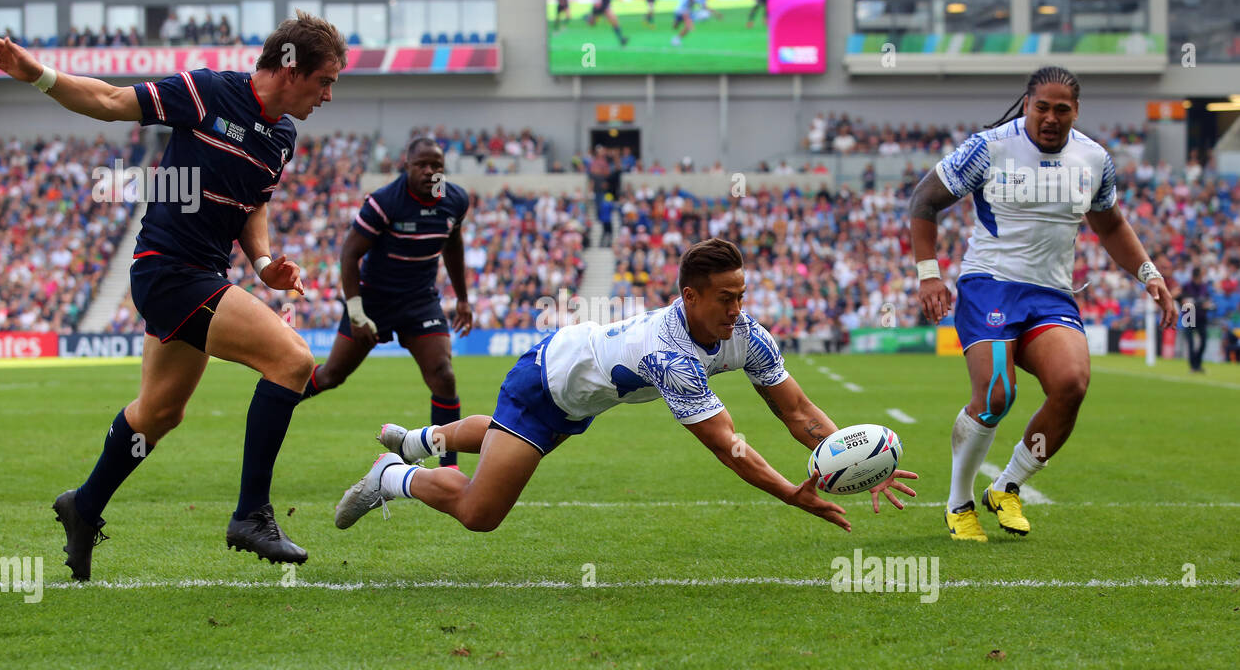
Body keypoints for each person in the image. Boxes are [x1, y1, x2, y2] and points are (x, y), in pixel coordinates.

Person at [0, 11, 348, 579]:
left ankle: (84, 504)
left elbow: (254, 203)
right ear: (290, 67)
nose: (328, 95)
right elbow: (106, 100)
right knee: (292, 361)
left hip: (204, 276)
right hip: (169, 272)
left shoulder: (283, 136)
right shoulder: (207, 92)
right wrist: (38, 74)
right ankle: (251, 513)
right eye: (325, 81)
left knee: (160, 413)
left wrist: (266, 261)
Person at [334, 238, 917, 535]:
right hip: (545, 381)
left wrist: (848, 454)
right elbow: (729, 445)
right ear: (690, 296)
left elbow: (799, 413)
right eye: (726, 298)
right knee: (480, 512)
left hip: (582, 395)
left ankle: (423, 439)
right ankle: (395, 477)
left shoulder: (749, 335)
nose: (738, 309)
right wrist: (791, 491)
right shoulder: (672, 357)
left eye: (742, 296)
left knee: (503, 439)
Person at [909, 65, 1178, 542]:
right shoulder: (989, 146)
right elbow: (923, 201)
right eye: (1042, 107)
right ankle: (958, 503)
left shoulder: (1094, 159)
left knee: (1072, 384)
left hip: (1051, 293)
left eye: (1062, 109)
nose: (1051, 118)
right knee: (996, 393)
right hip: (989, 284)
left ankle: (1007, 486)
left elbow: (1110, 225)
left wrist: (1149, 273)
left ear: (1076, 112)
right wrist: (929, 276)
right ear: (1027, 104)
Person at [301, 138, 472, 469]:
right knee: (331, 375)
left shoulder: (455, 200)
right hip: (373, 301)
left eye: (436, 165)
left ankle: (447, 467)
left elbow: (453, 245)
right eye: (421, 164)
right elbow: (349, 254)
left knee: (444, 375)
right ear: (406, 167)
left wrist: (462, 299)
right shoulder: (384, 202)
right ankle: (280, 398)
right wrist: (356, 312)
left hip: (420, 301)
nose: (429, 171)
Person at [1177, 267, 1213, 373]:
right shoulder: (1186, 286)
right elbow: (1182, 300)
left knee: (1203, 342)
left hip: (1201, 317)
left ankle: (1197, 363)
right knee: (1191, 343)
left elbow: (1207, 300)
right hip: (1189, 317)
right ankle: (1193, 366)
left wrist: (1206, 304)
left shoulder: (1204, 287)